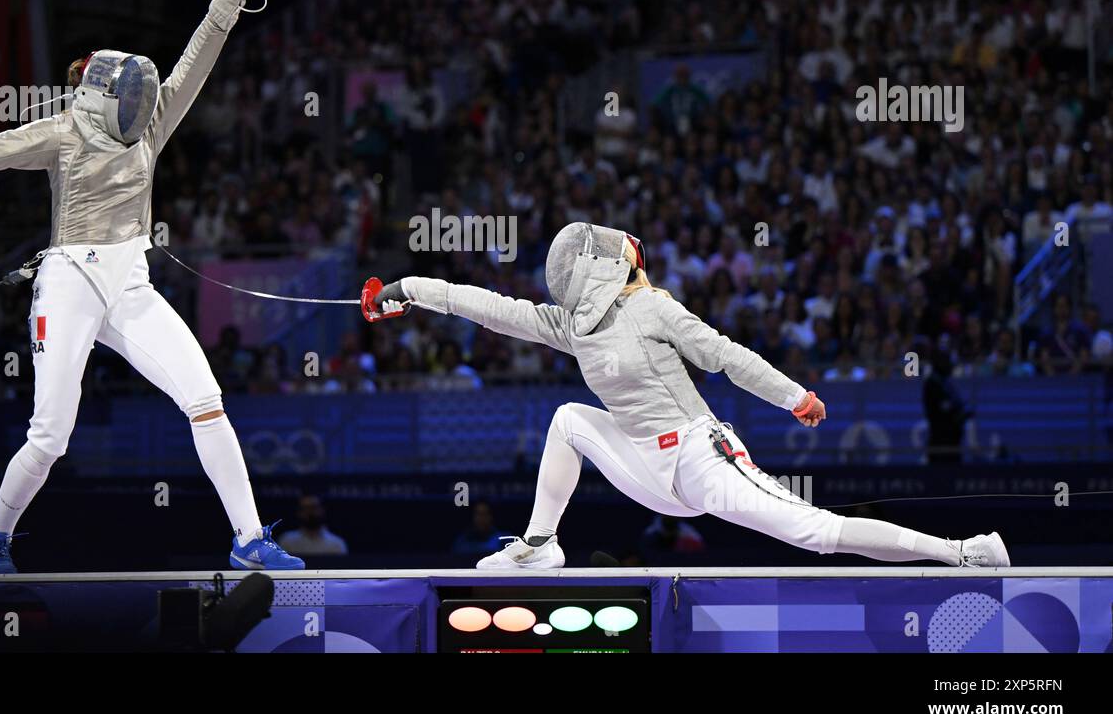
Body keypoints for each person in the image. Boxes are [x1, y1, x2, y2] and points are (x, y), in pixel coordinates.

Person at [0, 0, 304, 574]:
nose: (145, 104)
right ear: (102, 96)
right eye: (134, 96)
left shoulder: (152, 123)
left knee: (205, 399)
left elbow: (202, 48)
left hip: (131, 284)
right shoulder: (60, 133)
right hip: (69, 282)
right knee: (51, 436)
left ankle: (248, 539)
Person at [369, 222, 1009, 569]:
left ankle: (963, 552)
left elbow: (726, 357)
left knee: (817, 533)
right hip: (648, 469)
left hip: (703, 460)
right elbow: (491, 309)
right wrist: (408, 288)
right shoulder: (586, 323)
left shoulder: (651, 309)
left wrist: (793, 397)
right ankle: (540, 547)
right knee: (568, 418)